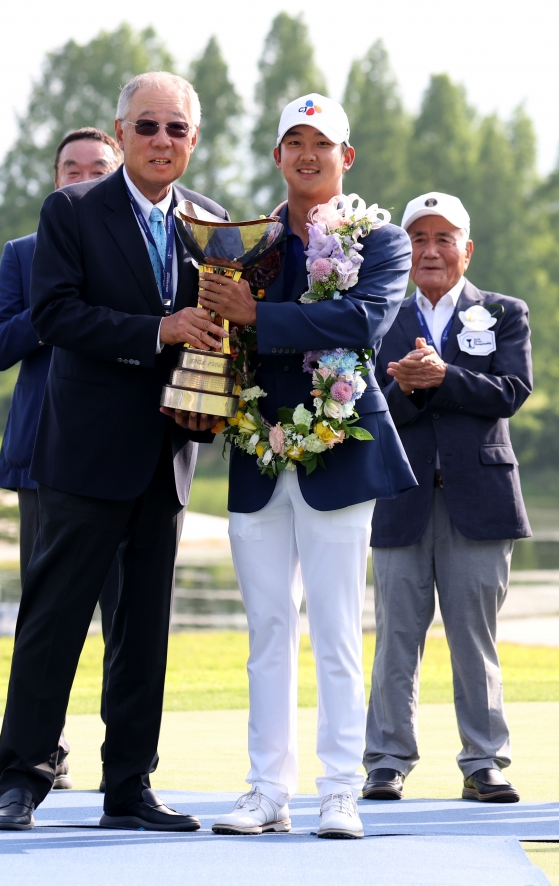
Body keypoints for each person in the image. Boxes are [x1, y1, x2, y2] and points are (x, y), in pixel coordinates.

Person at [0, 71, 228, 832]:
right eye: (148, 126)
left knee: (144, 629)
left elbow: (223, 331)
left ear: (195, 140)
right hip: (84, 449)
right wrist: (158, 330)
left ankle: (128, 785)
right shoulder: (71, 209)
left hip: (170, 450)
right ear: (120, 132)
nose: (163, 141)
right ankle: (22, 779)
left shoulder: (216, 223)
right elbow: (55, 314)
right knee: (53, 618)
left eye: (177, 129)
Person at [192, 94, 416, 839]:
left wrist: (260, 318)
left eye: (323, 142)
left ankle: (341, 790)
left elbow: (363, 322)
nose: (308, 154)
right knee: (265, 627)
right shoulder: (244, 242)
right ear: (278, 155)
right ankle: (265, 789)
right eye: (294, 141)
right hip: (257, 449)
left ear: (345, 158)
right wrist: (220, 311)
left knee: (338, 628)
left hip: (340, 453)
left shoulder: (381, 241)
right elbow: (218, 327)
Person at [362, 192, 532, 803]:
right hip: (401, 497)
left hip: (480, 501)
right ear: (404, 251)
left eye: (443, 239)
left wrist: (442, 378)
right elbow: (369, 405)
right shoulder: (379, 315)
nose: (430, 250)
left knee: (474, 639)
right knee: (395, 640)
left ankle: (483, 762)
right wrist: (408, 389)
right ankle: (386, 760)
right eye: (418, 239)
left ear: (467, 249)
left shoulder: (505, 312)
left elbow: (511, 390)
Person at [0, 128, 122, 792]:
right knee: (47, 613)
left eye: (99, 167)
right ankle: (43, 754)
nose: (84, 177)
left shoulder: (145, 248)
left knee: (127, 619)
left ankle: (126, 765)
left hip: (128, 457)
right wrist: (57, 310)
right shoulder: (24, 253)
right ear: (55, 177)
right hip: (43, 459)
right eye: (72, 168)